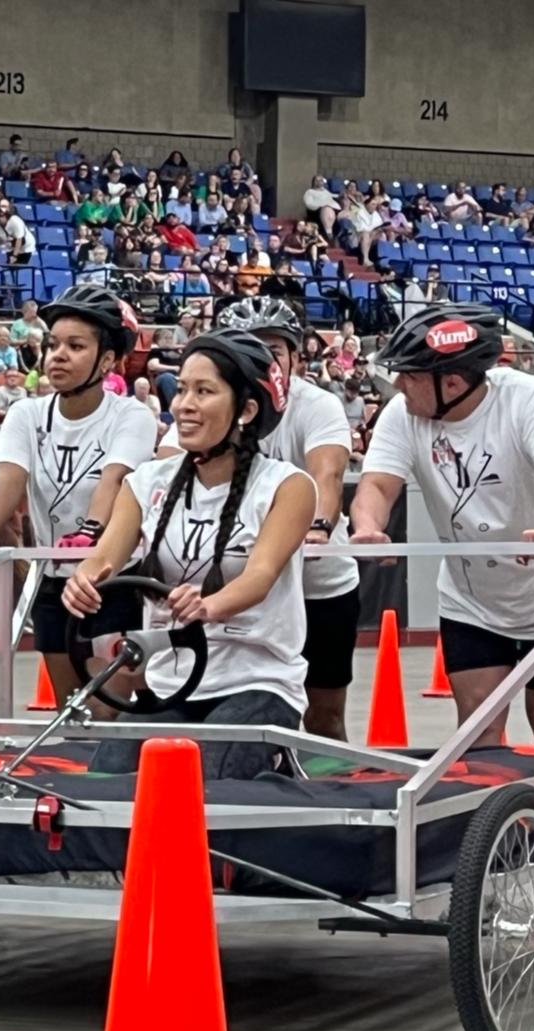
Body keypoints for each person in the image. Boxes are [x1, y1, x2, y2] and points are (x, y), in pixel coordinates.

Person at [63, 329, 314, 780]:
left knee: (197, 784)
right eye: (181, 390)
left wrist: (207, 605)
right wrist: (82, 581)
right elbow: (104, 557)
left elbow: (260, 575)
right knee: (108, 783)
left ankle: (275, 770)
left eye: (204, 391)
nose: (183, 405)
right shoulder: (147, 482)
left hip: (258, 682)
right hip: (172, 680)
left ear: (247, 410)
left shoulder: (288, 486)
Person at [353, 304, 534, 750]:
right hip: (472, 601)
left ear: (453, 381)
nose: (398, 383)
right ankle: (490, 821)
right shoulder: (402, 414)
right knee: (478, 730)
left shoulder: (529, 399)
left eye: (409, 374)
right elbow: (378, 484)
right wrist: (368, 527)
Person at [0, 285, 156, 709]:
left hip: (113, 579)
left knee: (108, 708)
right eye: (52, 345)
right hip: (53, 578)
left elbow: (115, 478)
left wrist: (90, 532)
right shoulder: (26, 414)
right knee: (71, 709)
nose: (57, 355)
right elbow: (10, 476)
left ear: (106, 361)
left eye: (75, 346)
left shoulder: (131, 416)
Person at [189, 296, 362, 741]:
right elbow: (173, 463)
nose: (263, 358)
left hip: (317, 585)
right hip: (237, 584)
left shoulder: (316, 404)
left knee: (325, 717)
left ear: (295, 357)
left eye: (273, 349)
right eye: (247, 347)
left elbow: (328, 472)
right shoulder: (212, 403)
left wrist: (319, 526)